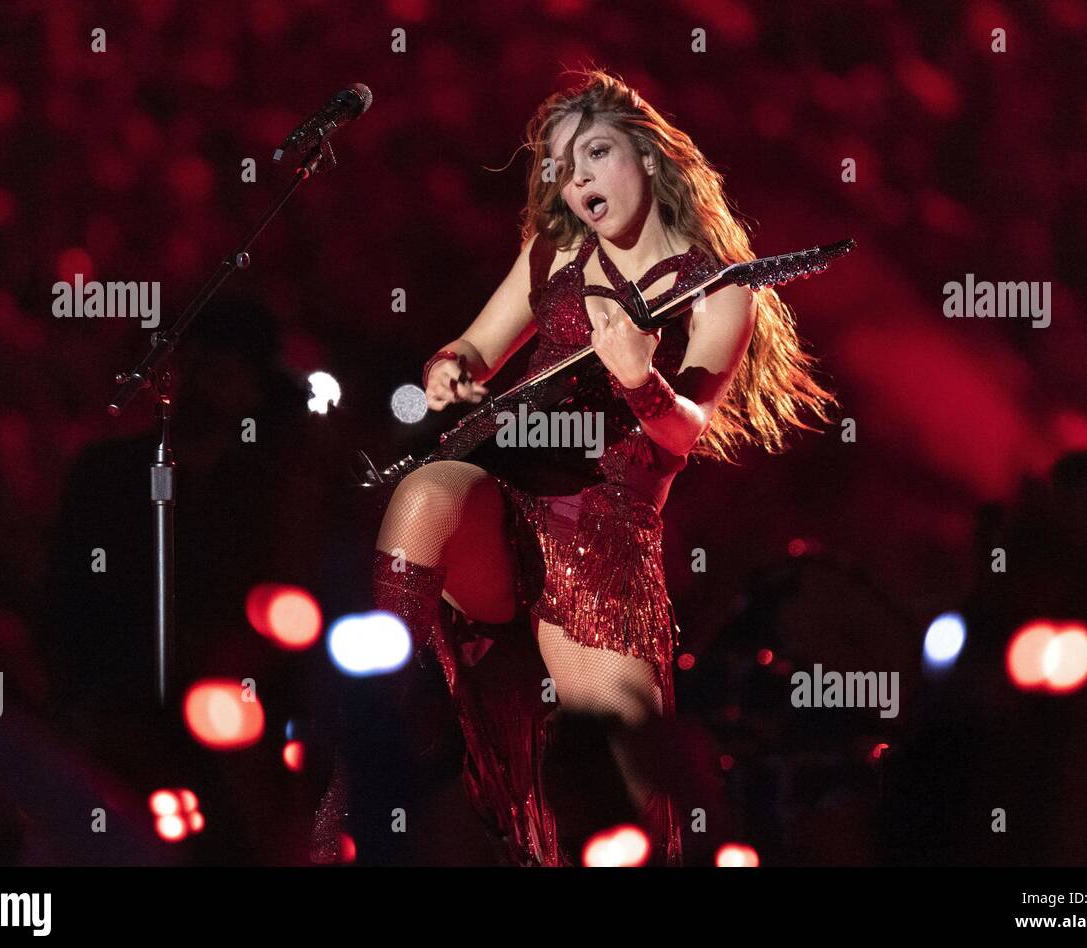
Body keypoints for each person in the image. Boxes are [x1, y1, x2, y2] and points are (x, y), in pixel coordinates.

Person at [313, 69, 835, 866]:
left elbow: (681, 432)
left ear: (652, 159)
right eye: (564, 165)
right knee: (425, 494)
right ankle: (349, 786)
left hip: (604, 545)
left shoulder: (719, 287)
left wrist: (639, 378)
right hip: (504, 500)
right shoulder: (552, 253)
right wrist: (449, 369)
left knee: (623, 811)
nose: (579, 176)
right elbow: (471, 349)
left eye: (595, 152)